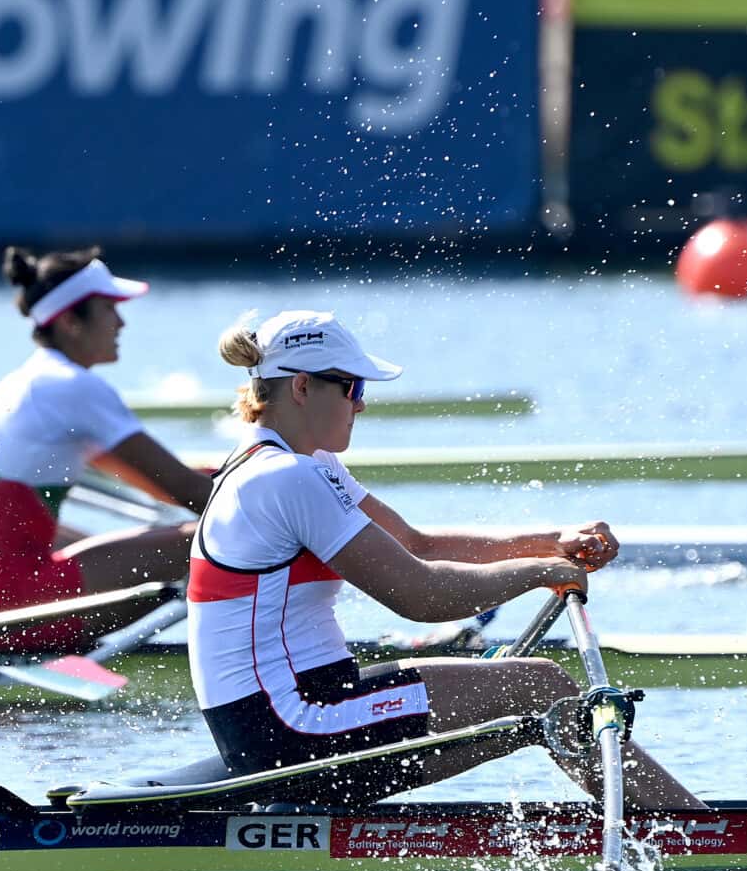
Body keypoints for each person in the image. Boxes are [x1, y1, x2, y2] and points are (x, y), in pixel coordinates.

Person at [190, 308, 704, 810]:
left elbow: (419, 546)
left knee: (532, 695)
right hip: (292, 727)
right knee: (539, 685)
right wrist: (539, 573)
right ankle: (698, 834)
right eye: (352, 387)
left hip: (294, 712)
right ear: (301, 387)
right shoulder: (285, 478)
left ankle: (671, 822)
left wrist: (552, 542)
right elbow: (422, 596)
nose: (361, 405)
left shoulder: (298, 465)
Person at [0, 246, 211, 647]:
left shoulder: (34, 380)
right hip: (11, 607)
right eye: (109, 309)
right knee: (218, 538)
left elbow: (163, 479)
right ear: (70, 321)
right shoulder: (70, 386)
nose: (121, 323)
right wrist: (288, 515)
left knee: (211, 529)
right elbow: (187, 492)